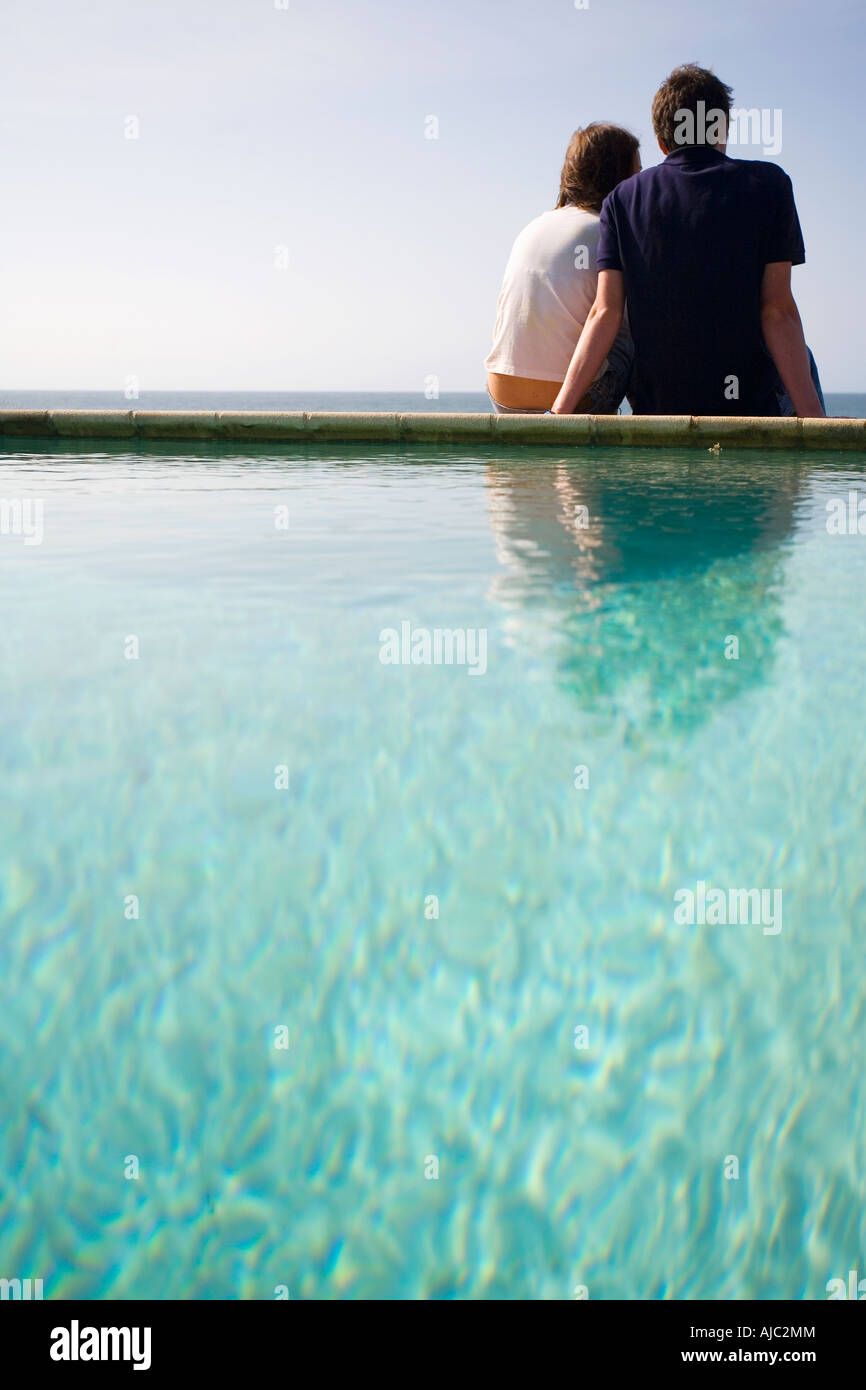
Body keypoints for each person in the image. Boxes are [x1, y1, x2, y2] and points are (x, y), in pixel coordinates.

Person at [552, 65, 825, 418]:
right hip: (746, 405)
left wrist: (558, 413)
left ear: (663, 141)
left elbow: (604, 313)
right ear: (721, 127)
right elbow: (778, 311)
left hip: (659, 406)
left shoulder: (621, 199)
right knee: (804, 355)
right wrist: (817, 424)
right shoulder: (769, 185)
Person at [485, 123, 639, 414]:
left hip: (504, 396)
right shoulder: (608, 231)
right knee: (636, 326)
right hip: (571, 404)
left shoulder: (533, 227)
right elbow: (608, 317)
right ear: (619, 177)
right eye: (636, 172)